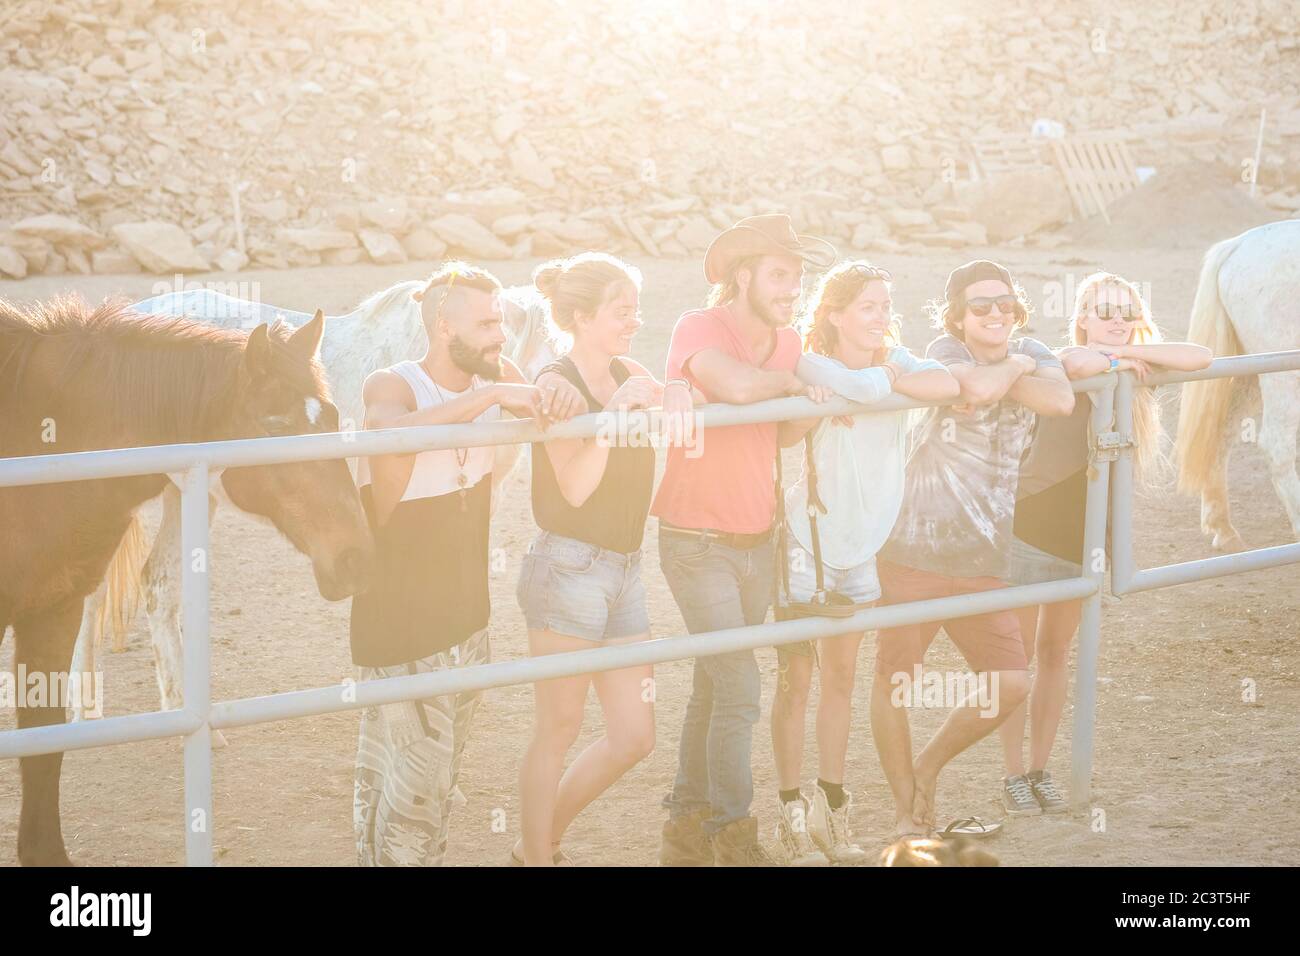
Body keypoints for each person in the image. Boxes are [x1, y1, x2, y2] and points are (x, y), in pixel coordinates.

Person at [350, 261, 584, 867]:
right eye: (485, 323)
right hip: (401, 624)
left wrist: (553, 392)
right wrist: (490, 395)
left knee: (435, 789)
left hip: (468, 622)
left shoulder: (498, 376)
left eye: (500, 321)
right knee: (409, 794)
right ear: (442, 329)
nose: (500, 335)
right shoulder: (393, 383)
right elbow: (389, 434)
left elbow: (553, 403)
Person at [654, 214, 837, 866]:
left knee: (714, 681)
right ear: (743, 276)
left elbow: (777, 435)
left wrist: (806, 407)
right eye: (781, 275)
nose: (793, 288)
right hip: (695, 538)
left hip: (757, 537)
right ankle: (734, 835)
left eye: (798, 276)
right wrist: (788, 386)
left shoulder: (787, 342)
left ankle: (686, 822)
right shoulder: (698, 328)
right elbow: (731, 387)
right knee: (737, 686)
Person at [871, 259, 1076, 838]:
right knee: (896, 682)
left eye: (1005, 303)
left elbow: (1059, 402)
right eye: (980, 306)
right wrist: (1016, 368)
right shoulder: (945, 350)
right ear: (957, 316)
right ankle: (904, 809)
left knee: (1011, 683)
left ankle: (926, 769)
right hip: (914, 547)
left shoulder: (1033, 345)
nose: (995, 313)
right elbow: (980, 387)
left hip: (985, 558)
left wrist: (1009, 368)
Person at [998, 271, 1212, 815]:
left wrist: (1135, 350)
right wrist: (1120, 361)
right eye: (1105, 311)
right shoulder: (1071, 357)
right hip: (1032, 521)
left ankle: (1041, 768)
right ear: (1083, 318)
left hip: (1085, 532)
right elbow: (1077, 364)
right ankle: (1011, 773)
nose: (1116, 321)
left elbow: (1200, 356)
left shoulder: (1136, 363)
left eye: (1126, 312)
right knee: (1015, 658)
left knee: (1055, 653)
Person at [769, 260, 959, 865]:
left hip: (862, 548)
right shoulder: (811, 363)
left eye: (885, 306)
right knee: (797, 681)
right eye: (867, 308)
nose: (880, 318)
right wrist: (870, 384)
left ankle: (833, 808)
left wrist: (878, 379)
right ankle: (791, 813)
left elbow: (949, 386)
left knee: (843, 679)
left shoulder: (888, 364)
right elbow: (797, 425)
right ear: (834, 312)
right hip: (811, 542)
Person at [512, 253, 664, 866]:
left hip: (626, 569)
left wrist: (666, 390)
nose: (634, 321)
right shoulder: (557, 384)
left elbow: (675, 393)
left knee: (635, 734)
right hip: (567, 567)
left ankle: (537, 841)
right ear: (580, 317)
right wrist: (613, 416)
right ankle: (538, 857)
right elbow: (573, 487)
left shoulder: (629, 370)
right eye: (620, 311)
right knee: (559, 728)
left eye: (635, 309)